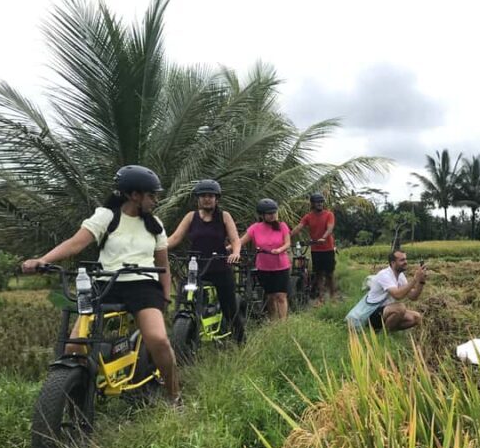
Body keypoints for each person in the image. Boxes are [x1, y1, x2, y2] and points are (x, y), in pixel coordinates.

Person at [22, 165, 180, 405]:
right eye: (151, 195)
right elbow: (75, 243)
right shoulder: (106, 216)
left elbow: (163, 264)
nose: (155, 200)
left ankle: (174, 395)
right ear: (134, 195)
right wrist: (43, 260)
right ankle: (78, 392)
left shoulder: (155, 224)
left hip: (143, 286)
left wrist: (165, 297)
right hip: (106, 284)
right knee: (74, 346)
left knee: (158, 339)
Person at [167, 179, 245, 343]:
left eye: (210, 196)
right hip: (196, 269)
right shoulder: (191, 217)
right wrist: (157, 248)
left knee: (229, 308)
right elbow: (174, 238)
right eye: (203, 196)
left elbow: (235, 240)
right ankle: (187, 335)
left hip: (220, 269)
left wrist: (235, 253)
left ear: (217, 198)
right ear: (198, 198)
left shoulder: (224, 216)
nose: (207, 199)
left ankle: (240, 341)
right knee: (186, 301)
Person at [240, 199, 291, 320]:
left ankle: (283, 323)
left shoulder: (282, 226)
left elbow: (288, 243)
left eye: (274, 212)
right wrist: (227, 248)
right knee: (270, 296)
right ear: (262, 215)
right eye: (269, 213)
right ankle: (273, 321)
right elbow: (240, 241)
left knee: (281, 295)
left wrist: (279, 250)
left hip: (281, 266)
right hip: (264, 267)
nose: (273, 215)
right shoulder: (255, 228)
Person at [290, 192, 336, 302]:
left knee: (329, 274)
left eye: (321, 202)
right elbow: (299, 227)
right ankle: (321, 298)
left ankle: (333, 296)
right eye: (317, 202)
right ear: (312, 204)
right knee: (318, 274)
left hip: (328, 248)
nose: (320, 204)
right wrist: (288, 236)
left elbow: (329, 228)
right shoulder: (308, 217)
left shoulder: (329, 214)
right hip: (316, 249)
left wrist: (323, 237)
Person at [365, 250, 427, 331]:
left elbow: (413, 297)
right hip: (372, 312)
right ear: (393, 263)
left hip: (386, 312)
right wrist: (415, 279)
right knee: (400, 308)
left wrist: (421, 281)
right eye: (402, 260)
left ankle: (385, 331)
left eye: (405, 259)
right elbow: (397, 295)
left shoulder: (400, 275)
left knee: (416, 317)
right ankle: (384, 335)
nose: (405, 262)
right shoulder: (384, 275)